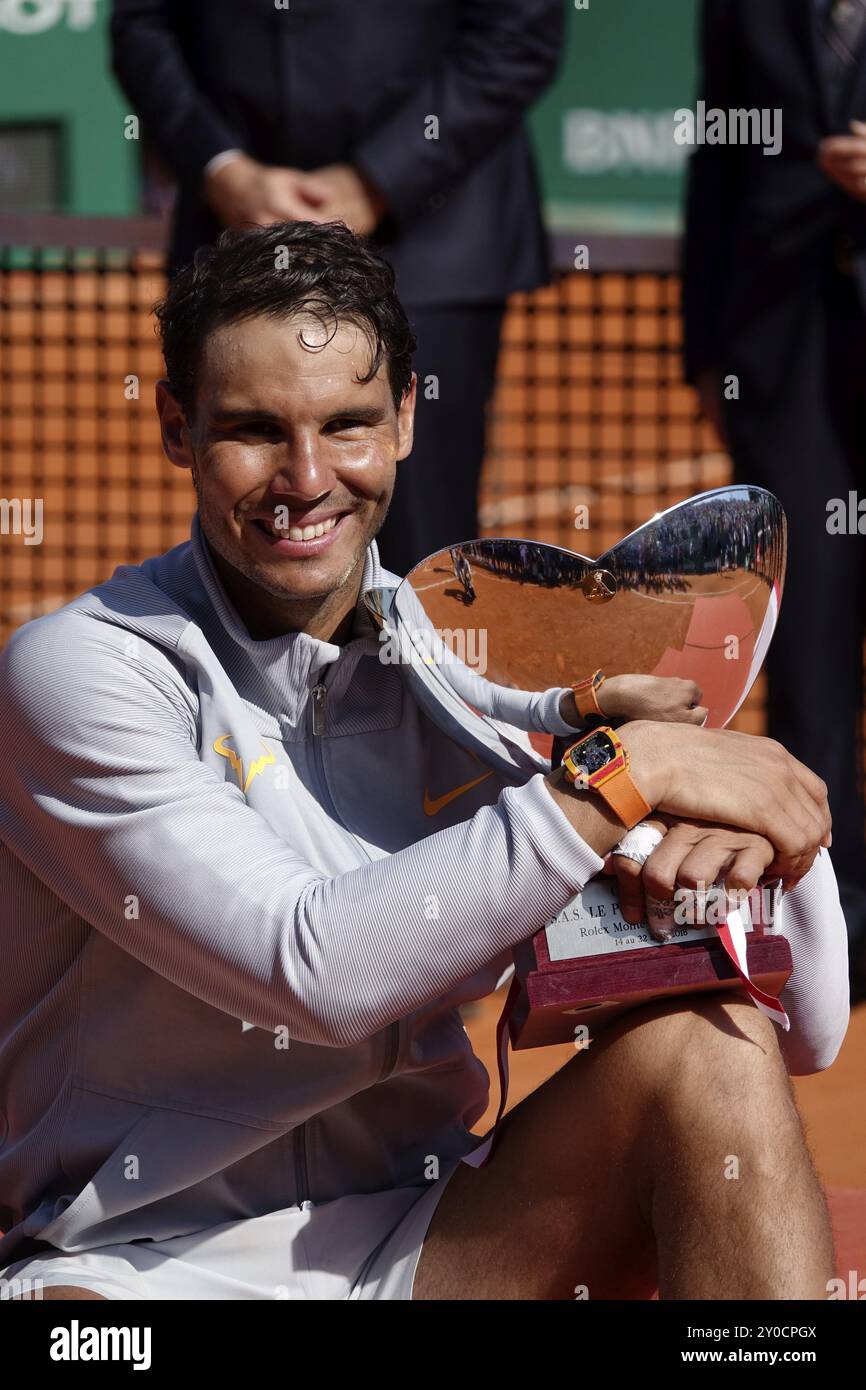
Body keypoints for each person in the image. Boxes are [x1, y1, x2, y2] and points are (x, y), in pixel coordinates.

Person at [0, 223, 847, 1301]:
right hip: (137, 1266)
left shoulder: (479, 660)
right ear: (178, 426)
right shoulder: (83, 673)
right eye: (254, 430)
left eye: (346, 424)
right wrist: (623, 779)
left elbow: (808, 1026)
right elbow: (307, 968)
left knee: (714, 1052)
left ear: (404, 417)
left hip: (432, 1243)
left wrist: (761, 840)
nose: (306, 479)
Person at [108, 0, 565, 578]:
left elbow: (519, 34)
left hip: (431, 239)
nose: (307, 475)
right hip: (230, 228)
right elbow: (142, 24)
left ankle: (410, 645)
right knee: (249, 523)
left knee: (420, 555)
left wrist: (377, 180)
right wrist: (219, 167)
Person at [682, 0, 866, 999]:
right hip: (785, 341)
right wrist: (705, 349)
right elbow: (717, 154)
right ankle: (833, 918)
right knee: (806, 647)